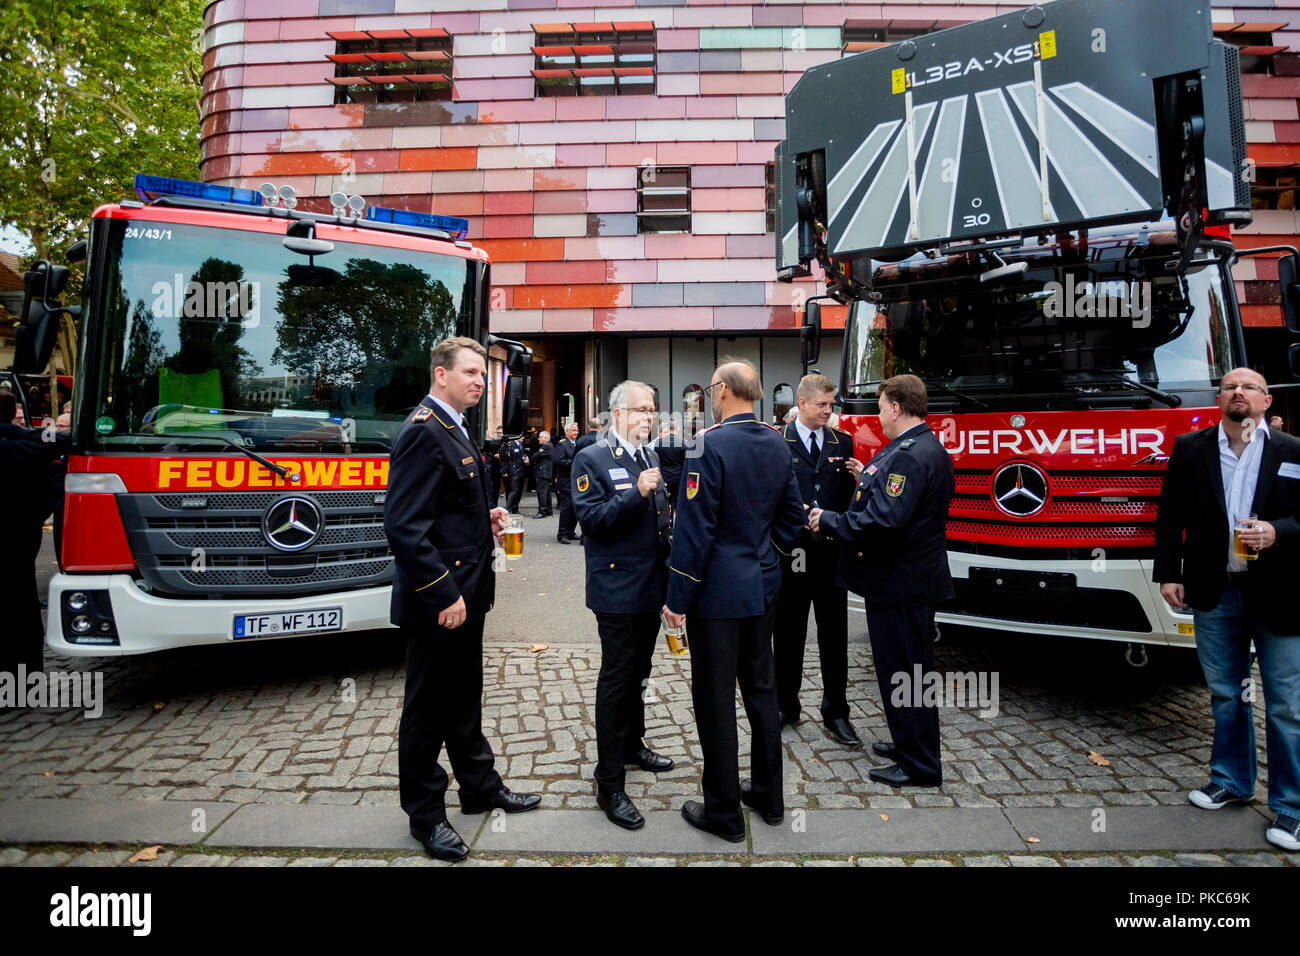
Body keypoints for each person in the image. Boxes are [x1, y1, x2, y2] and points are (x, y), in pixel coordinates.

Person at [384, 336, 540, 862]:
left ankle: (479, 786)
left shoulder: (455, 426)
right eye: (470, 372)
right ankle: (425, 816)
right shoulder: (424, 432)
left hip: (467, 597)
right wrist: (442, 593)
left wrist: (486, 519)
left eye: (483, 373)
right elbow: (405, 528)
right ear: (440, 375)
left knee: (464, 697)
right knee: (427, 710)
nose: (479, 380)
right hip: (441, 602)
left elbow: (445, 510)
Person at [1154, 367, 1300, 852]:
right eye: (1229, 386)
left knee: (1285, 704)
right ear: (1219, 398)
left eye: (1249, 387)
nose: (1238, 392)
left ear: (1265, 400)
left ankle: (1291, 807)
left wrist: (1279, 532)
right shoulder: (1192, 447)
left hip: (1278, 592)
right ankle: (1231, 781)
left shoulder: (1292, 451)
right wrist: (1169, 573)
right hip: (1214, 590)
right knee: (1225, 692)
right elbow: (1170, 513)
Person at [664, 359, 805, 841]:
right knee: (762, 693)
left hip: (716, 595)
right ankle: (769, 796)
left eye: (710, 387)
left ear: (722, 391)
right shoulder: (776, 442)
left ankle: (723, 812)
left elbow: (694, 530)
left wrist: (676, 598)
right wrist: (768, 555)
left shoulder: (709, 444)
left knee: (716, 699)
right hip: (762, 586)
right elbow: (792, 518)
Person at [809, 373, 954, 788]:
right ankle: (910, 744)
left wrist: (831, 519)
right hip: (908, 583)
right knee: (910, 673)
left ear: (895, 407)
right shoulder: (925, 447)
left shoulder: (909, 454)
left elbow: (884, 521)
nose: (878, 415)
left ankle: (920, 765)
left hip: (900, 585)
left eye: (880, 406)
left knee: (905, 673)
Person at [572, 381, 675, 830]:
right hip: (615, 590)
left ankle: (633, 745)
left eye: (652, 410)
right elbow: (592, 521)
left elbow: (662, 527)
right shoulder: (590, 458)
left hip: (651, 589)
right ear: (616, 414)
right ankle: (609, 782)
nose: (649, 418)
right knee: (617, 677)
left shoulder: (648, 455)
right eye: (640, 410)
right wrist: (635, 493)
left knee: (641, 671)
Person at [774, 374, 863, 745]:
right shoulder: (778, 442)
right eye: (823, 405)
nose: (829, 411)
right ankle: (785, 705)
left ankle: (836, 711)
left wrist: (861, 486)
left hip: (829, 552)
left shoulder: (843, 442)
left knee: (833, 635)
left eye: (832, 405)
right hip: (791, 554)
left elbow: (847, 499)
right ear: (803, 402)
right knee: (789, 633)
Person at [1, 390, 65, 675]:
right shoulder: (26, 444)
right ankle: (25, 677)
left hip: (19, 536)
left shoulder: (13, 445)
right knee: (22, 610)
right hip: (20, 536)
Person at [554, 422, 580, 543]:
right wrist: (574, 463)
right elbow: (559, 461)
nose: (576, 432)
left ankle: (570, 531)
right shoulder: (562, 445)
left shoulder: (578, 444)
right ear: (567, 432)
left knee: (575, 507)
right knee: (567, 507)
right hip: (565, 480)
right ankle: (562, 534)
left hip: (576, 480)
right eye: (573, 430)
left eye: (577, 430)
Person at [651, 419, 685, 508]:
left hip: (664, 477)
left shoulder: (659, 442)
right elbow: (685, 462)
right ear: (677, 429)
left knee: (666, 503)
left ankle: (667, 521)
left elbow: (655, 460)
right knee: (678, 505)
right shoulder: (682, 443)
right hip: (678, 478)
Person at [501, 430, 528, 514]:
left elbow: (522, 455)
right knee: (514, 490)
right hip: (513, 471)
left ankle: (515, 509)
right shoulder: (511, 445)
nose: (523, 438)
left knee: (519, 491)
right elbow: (505, 459)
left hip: (521, 471)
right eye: (522, 436)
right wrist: (504, 471)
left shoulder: (521, 445)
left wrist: (525, 458)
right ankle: (507, 507)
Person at [532, 430, 555, 518]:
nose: (538, 439)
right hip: (546, 473)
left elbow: (536, 455)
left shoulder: (547, 446)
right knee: (546, 493)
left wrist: (535, 454)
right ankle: (548, 510)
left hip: (543, 473)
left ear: (545, 438)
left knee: (542, 493)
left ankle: (542, 511)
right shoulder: (548, 445)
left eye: (540, 437)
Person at [486, 425, 504, 510]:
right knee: (490, 488)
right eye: (498, 433)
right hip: (492, 467)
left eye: (500, 433)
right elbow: (489, 453)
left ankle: (495, 504)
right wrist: (494, 455)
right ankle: (491, 505)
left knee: (497, 488)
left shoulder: (506, 442)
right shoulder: (494, 441)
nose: (499, 434)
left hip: (500, 468)